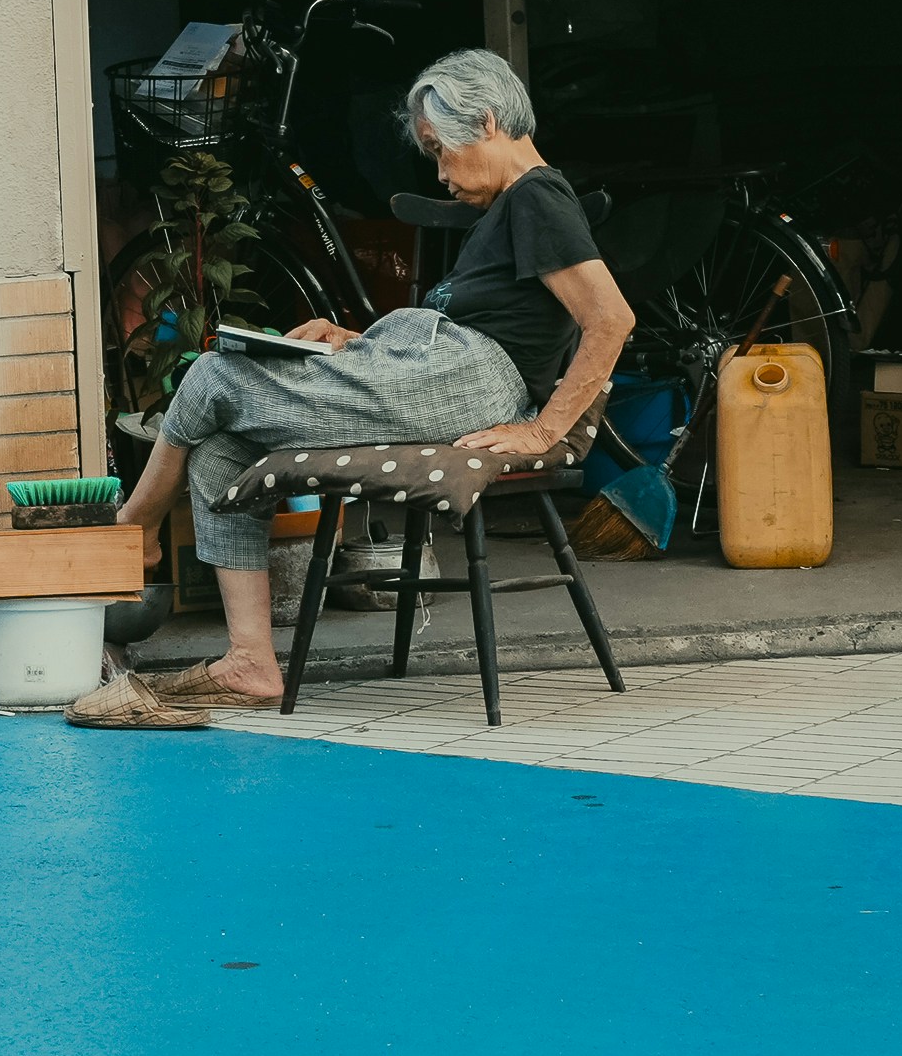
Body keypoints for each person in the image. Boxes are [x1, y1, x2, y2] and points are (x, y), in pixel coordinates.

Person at [105, 47, 634, 711]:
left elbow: (610, 318)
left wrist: (543, 429)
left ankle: (135, 532)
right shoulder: (511, 206)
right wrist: (358, 340)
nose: (441, 173)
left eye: (442, 150)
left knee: (214, 375)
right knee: (220, 451)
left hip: (471, 377)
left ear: (489, 123)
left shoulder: (538, 198)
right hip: (434, 366)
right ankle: (250, 662)